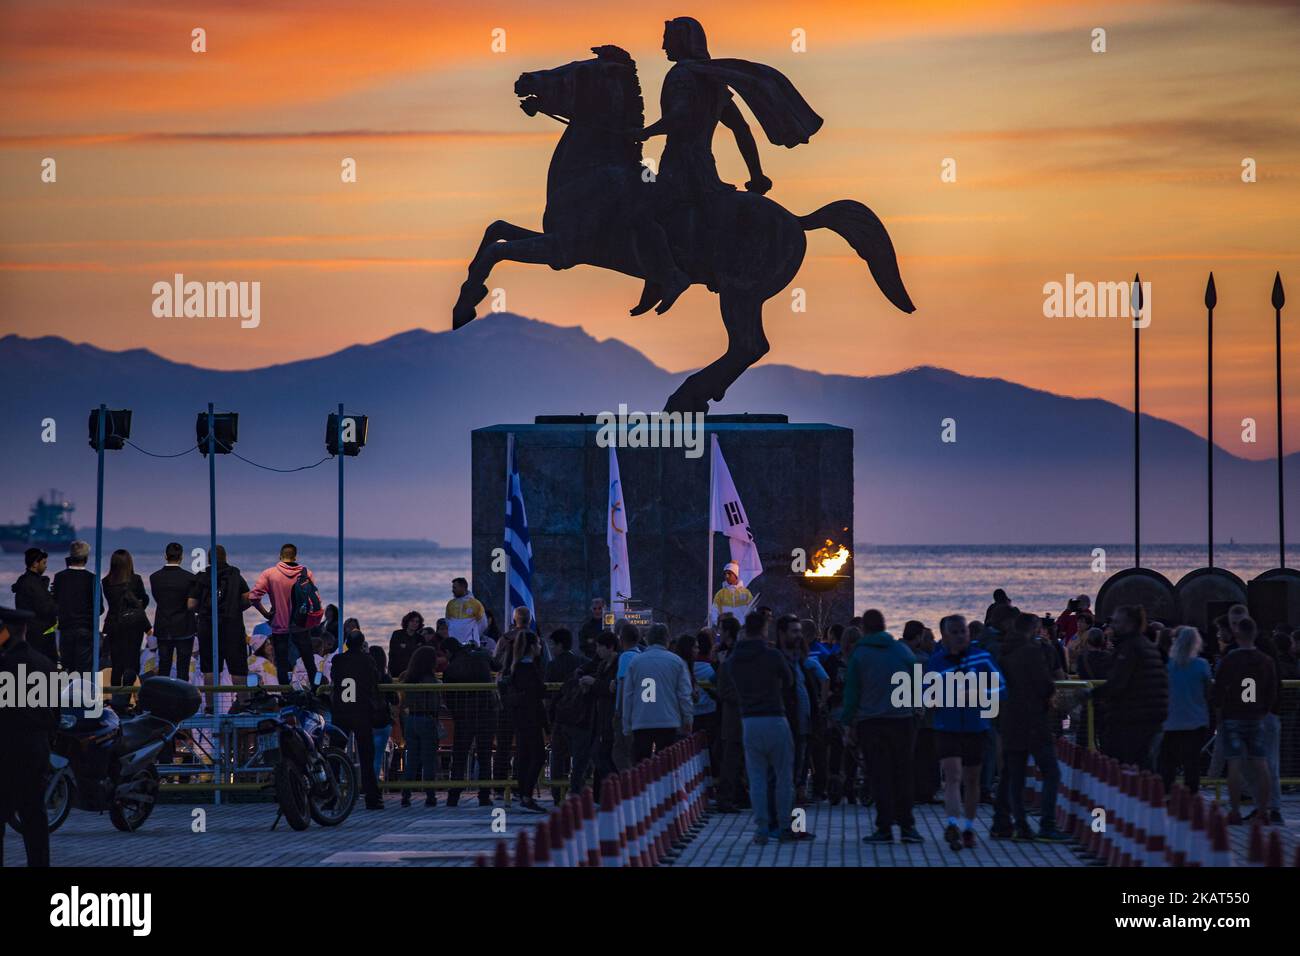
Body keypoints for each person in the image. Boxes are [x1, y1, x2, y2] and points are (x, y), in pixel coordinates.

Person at [630, 15, 820, 316]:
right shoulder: (710, 80)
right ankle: (665, 274)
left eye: (668, 39)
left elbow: (680, 118)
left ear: (683, 41)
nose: (663, 45)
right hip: (704, 166)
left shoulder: (682, 75)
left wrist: (644, 133)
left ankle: (667, 276)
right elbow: (741, 129)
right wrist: (755, 173)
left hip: (680, 166)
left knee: (639, 212)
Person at [718, 611, 812, 844]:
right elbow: (789, 680)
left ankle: (761, 829)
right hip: (775, 717)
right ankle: (784, 826)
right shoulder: (771, 655)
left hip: (749, 721)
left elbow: (724, 678)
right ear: (764, 629)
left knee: (757, 778)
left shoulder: (734, 659)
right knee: (783, 776)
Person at [841, 610, 922, 844]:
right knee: (903, 774)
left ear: (865, 628)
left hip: (872, 723)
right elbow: (916, 675)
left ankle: (884, 827)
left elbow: (852, 692)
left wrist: (847, 723)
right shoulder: (901, 650)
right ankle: (908, 826)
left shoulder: (860, 654)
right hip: (903, 721)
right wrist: (916, 706)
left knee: (880, 776)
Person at [928, 614, 1002, 849]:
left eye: (963, 631)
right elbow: (925, 693)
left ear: (969, 634)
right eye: (955, 632)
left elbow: (1001, 686)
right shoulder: (937, 661)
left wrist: (980, 696)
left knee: (972, 779)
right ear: (945, 636)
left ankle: (969, 827)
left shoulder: (982, 657)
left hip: (975, 726)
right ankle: (952, 824)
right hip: (946, 726)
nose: (960, 636)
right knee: (952, 776)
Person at [998, 612, 1069, 843]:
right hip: (1033, 720)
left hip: (1009, 720)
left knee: (1015, 777)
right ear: (1034, 628)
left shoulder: (1002, 651)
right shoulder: (1032, 651)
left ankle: (1020, 826)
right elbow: (1044, 684)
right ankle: (1047, 825)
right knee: (1051, 772)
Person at [0, 606, 57, 866]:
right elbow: (54, 714)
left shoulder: (3, 665)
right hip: (35, 750)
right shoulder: (44, 664)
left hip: (6, 751)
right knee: (35, 816)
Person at [1214, 617, 1277, 825]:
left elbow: (1219, 689)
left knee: (1234, 764)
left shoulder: (1230, 660)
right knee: (1261, 763)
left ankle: (1234, 811)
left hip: (1233, 716)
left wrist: (1220, 712)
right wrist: (1262, 710)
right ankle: (1263, 811)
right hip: (1256, 716)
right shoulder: (1265, 661)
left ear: (1237, 634)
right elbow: (1271, 691)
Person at [1090, 605, 1168, 770]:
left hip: (1132, 718)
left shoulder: (1130, 648)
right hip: (1151, 717)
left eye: (1117, 622)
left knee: (1123, 769)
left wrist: (1091, 694)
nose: (1113, 626)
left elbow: (1118, 683)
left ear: (1129, 624)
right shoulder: (1147, 645)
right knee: (1145, 767)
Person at [187, 545, 250, 711]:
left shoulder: (202, 577)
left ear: (208, 559)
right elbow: (247, 598)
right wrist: (237, 609)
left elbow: (191, 603)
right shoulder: (235, 575)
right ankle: (243, 702)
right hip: (232, 625)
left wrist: (201, 611)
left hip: (208, 625)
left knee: (209, 667)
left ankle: (210, 705)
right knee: (237, 666)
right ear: (225, 557)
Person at [247, 543, 318, 688]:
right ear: (295, 556)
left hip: (279, 624)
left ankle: (285, 694)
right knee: (309, 660)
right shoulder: (306, 573)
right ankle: (315, 690)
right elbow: (313, 599)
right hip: (301, 624)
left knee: (281, 662)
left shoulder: (269, 574)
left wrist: (266, 613)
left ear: (280, 556)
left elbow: (253, 597)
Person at [622, 623, 693, 762]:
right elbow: (684, 694)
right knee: (666, 767)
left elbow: (628, 696)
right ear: (667, 639)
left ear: (647, 639)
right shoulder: (676, 662)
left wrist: (627, 725)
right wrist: (688, 719)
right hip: (668, 721)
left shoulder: (635, 662)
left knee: (641, 767)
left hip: (641, 721)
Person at [330, 630, 384, 810]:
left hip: (341, 711)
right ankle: (372, 797)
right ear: (362, 644)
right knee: (366, 757)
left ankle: (331, 794)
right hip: (361, 712)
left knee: (335, 754)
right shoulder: (367, 660)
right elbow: (374, 679)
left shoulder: (338, 660)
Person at [442, 636, 498, 807]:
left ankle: (454, 795)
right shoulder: (481, 657)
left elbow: (449, 697)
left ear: (448, 652)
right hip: (486, 713)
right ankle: (484, 795)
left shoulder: (451, 669)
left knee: (459, 756)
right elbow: (497, 665)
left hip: (464, 717)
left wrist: (456, 714)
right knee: (484, 757)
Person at [1159, 625, 1211, 795]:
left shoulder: (1168, 667)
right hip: (1196, 721)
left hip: (1171, 721)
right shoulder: (1202, 665)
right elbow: (1208, 693)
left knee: (1168, 764)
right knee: (1192, 764)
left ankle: (1167, 796)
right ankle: (1191, 798)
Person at [506, 631, 549, 812]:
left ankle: (523, 793)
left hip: (519, 717)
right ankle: (526, 794)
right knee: (538, 755)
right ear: (532, 647)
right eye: (538, 645)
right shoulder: (530, 669)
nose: (540, 648)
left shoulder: (515, 668)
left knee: (524, 756)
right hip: (531, 717)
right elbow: (538, 692)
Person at [545, 628, 589, 803]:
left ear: (560, 645)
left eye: (553, 644)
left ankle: (557, 794)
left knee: (557, 756)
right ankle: (578, 790)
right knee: (579, 756)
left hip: (559, 716)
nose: (552, 648)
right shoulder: (582, 662)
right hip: (579, 716)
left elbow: (548, 694)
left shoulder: (553, 665)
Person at [102, 548, 150, 700]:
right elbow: (144, 600)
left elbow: (112, 603)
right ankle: (125, 697)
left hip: (114, 624)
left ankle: (116, 700)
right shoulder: (135, 580)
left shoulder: (106, 582)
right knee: (131, 663)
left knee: (117, 665)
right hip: (133, 626)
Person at [397, 644, 442, 807]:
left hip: (411, 719)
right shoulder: (432, 681)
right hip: (427, 719)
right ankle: (430, 795)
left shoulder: (407, 679)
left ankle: (406, 795)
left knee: (412, 760)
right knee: (428, 760)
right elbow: (436, 704)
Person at [149, 542, 197, 681]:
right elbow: (190, 604)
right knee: (183, 668)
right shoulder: (189, 578)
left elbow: (158, 598)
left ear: (165, 556)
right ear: (181, 557)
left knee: (164, 667)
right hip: (185, 626)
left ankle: (163, 699)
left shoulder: (154, 577)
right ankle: (182, 700)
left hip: (163, 625)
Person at [52, 540, 100, 673]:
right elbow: (99, 608)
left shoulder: (60, 577)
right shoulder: (92, 579)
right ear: (86, 558)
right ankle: (83, 693)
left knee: (67, 667)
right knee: (84, 670)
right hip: (85, 629)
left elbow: (54, 602)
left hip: (66, 629)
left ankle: (68, 693)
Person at [11, 547, 58, 661]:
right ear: (35, 564)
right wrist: (57, 600)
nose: (46, 566)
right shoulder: (33, 584)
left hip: (30, 632)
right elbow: (46, 608)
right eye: (44, 563)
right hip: (40, 635)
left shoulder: (24, 581)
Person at [611, 622, 642, 771]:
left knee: (619, 752)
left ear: (621, 639)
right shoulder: (640, 656)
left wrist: (619, 711)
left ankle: (629, 785)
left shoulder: (625, 657)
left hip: (626, 713)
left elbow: (623, 684)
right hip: (639, 712)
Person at [369, 645, 396, 782]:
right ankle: (374, 782)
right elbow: (395, 699)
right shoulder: (385, 678)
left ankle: (365, 782)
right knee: (378, 755)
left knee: (366, 755)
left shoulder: (365, 677)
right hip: (383, 719)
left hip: (366, 719)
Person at [445, 577, 486, 646]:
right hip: (455, 644)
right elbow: (448, 621)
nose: (452, 590)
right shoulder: (450, 604)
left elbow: (483, 624)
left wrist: (474, 636)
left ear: (463, 587)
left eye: (455, 588)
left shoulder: (475, 604)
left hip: (470, 645)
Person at [710, 561, 753, 627]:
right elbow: (714, 611)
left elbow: (752, 610)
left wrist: (746, 625)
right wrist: (719, 625)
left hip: (742, 629)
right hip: (726, 630)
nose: (726, 576)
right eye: (725, 574)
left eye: (729, 573)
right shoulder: (720, 594)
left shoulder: (746, 593)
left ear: (736, 575)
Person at [389, 611, 424, 681]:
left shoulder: (420, 638)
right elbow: (394, 652)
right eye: (412, 621)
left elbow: (421, 656)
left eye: (417, 622)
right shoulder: (397, 634)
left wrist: (405, 647)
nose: (414, 624)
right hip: (396, 671)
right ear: (407, 622)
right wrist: (414, 648)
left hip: (414, 672)